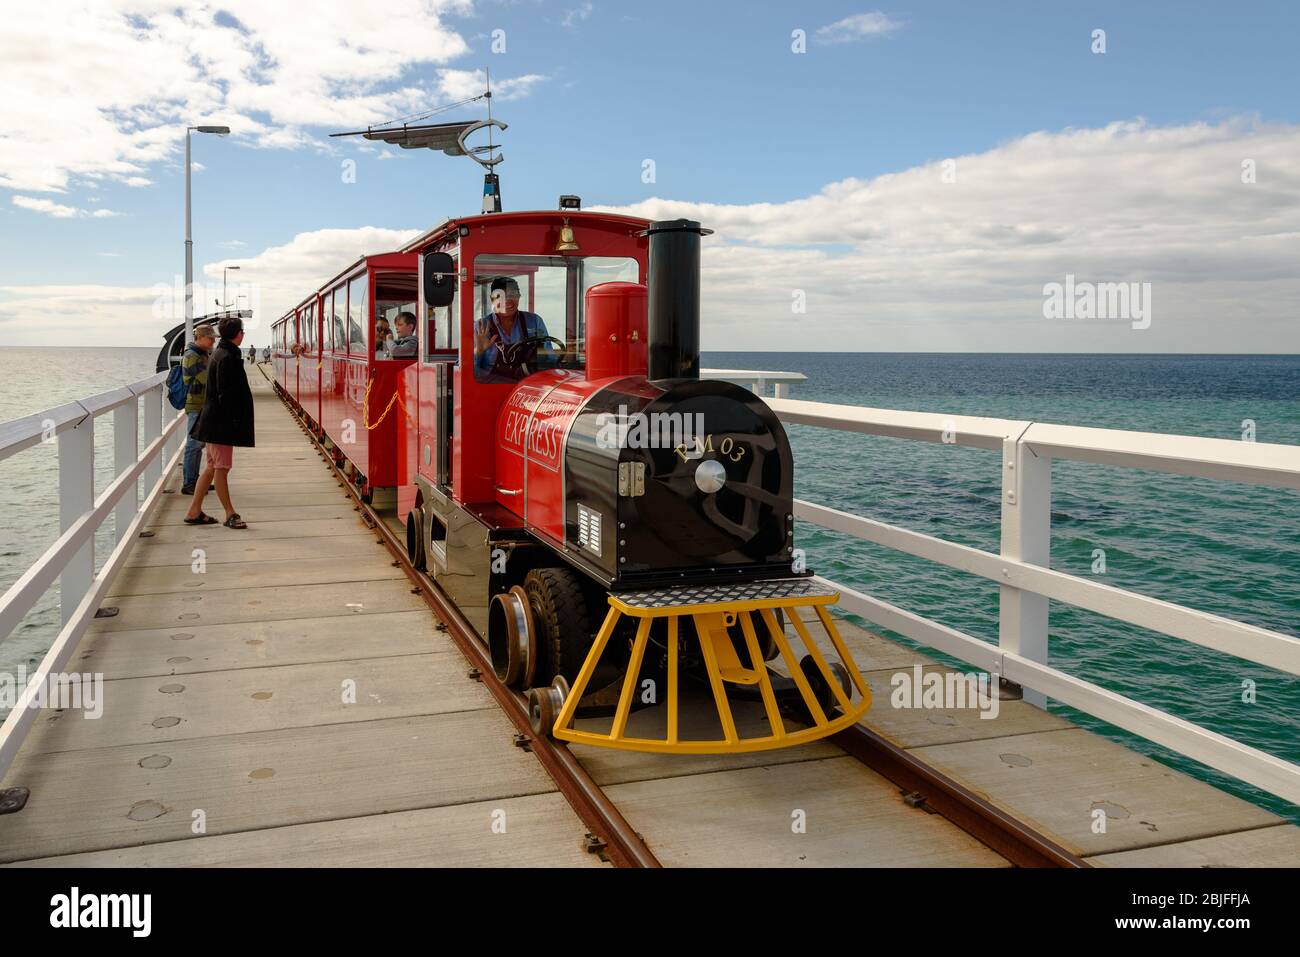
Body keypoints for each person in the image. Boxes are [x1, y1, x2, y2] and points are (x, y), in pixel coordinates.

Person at [185, 316, 255, 529]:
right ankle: (230, 514)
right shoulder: (227, 357)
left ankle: (194, 510)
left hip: (213, 422)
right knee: (221, 469)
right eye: (242, 332)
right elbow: (227, 394)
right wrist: (235, 421)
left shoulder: (219, 353)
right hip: (220, 425)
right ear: (238, 335)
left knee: (212, 467)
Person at [472, 277, 552, 382]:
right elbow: (462, 370)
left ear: (519, 297)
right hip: (490, 393)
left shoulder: (534, 322)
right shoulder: (480, 327)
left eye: (513, 295)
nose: (508, 302)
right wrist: (477, 352)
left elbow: (550, 360)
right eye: (501, 296)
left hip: (527, 390)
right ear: (492, 299)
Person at [180, 325, 216, 495]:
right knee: (193, 445)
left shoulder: (201, 354)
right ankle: (189, 483)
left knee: (199, 444)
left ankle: (196, 481)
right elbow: (206, 379)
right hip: (195, 404)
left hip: (201, 404)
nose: (213, 341)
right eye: (210, 338)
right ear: (200, 337)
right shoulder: (192, 356)